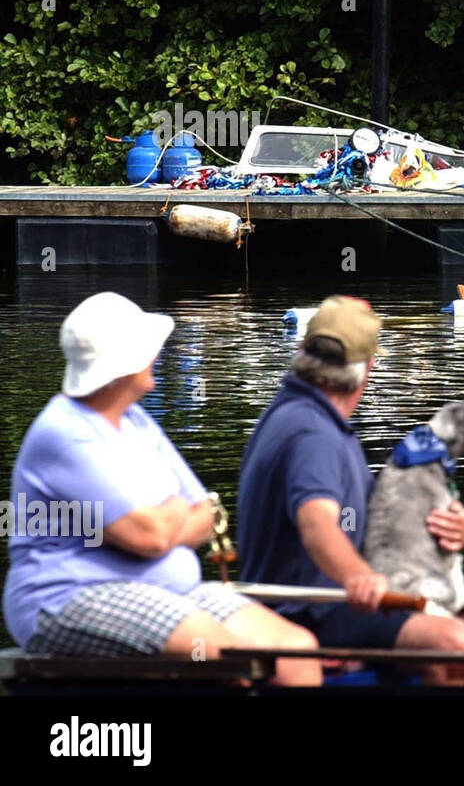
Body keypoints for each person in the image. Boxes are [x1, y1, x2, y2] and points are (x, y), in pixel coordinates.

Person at [1, 292, 320, 686]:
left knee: (298, 652)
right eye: (148, 350)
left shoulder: (134, 419)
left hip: (164, 590)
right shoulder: (65, 434)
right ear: (124, 366)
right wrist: (169, 519)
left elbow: (205, 513)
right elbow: (150, 537)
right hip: (68, 597)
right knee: (230, 659)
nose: (157, 356)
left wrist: (167, 522)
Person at [236, 295, 464, 684]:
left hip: (347, 598)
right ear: (368, 368)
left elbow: (365, 517)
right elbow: (316, 523)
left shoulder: (311, 414)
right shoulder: (312, 433)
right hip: (311, 608)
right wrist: (359, 575)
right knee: (452, 640)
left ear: (303, 354)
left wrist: (441, 524)